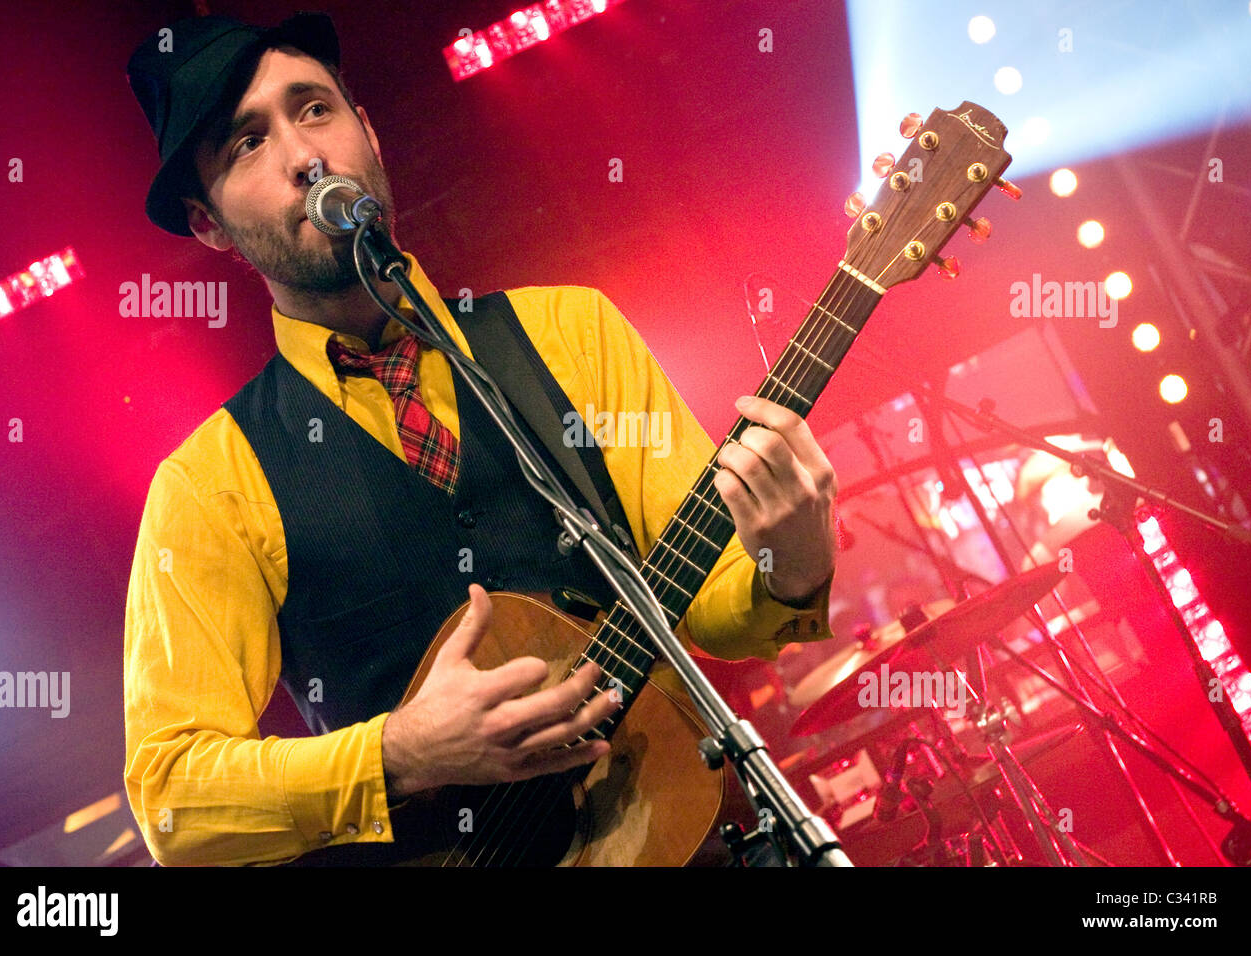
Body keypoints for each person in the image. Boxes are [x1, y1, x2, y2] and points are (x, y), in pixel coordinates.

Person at [122, 12, 839, 866]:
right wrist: (397, 754)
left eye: (314, 108)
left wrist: (792, 566)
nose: (304, 155)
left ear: (367, 132)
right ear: (207, 223)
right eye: (248, 143)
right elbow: (172, 801)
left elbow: (716, 608)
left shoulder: (575, 331)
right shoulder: (209, 483)